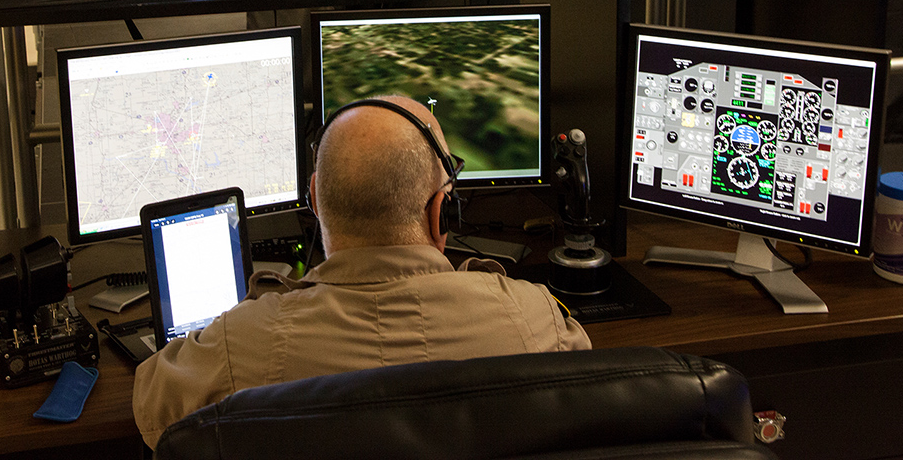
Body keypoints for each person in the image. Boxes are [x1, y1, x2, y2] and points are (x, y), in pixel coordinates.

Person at [132, 95, 591, 448]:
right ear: (441, 211)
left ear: (314, 201)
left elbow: (151, 407)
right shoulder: (533, 318)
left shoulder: (240, 343)